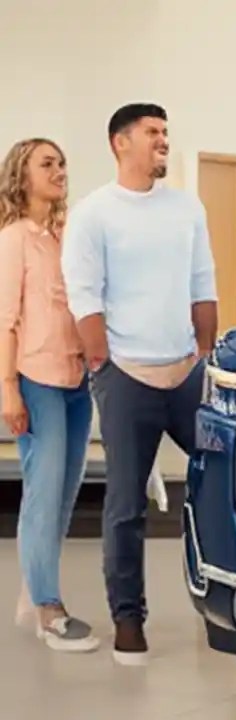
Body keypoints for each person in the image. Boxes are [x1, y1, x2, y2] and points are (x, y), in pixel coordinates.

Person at [61, 103, 218, 666]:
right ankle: (129, 620)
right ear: (119, 143)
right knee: (126, 504)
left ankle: (222, 605)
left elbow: (203, 279)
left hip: (186, 373)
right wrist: (101, 360)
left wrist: (205, 350)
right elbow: (84, 292)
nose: (163, 141)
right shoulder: (94, 213)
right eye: (153, 133)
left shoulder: (186, 208)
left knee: (217, 487)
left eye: (166, 133)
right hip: (125, 374)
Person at [0, 138, 99, 652]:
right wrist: (9, 391)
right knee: (42, 495)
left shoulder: (66, 234)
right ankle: (47, 608)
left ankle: (30, 596)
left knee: (62, 495)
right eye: (47, 163)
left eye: (62, 162)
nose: (59, 170)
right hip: (35, 379)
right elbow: (5, 321)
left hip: (76, 380)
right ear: (22, 174)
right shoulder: (13, 238)